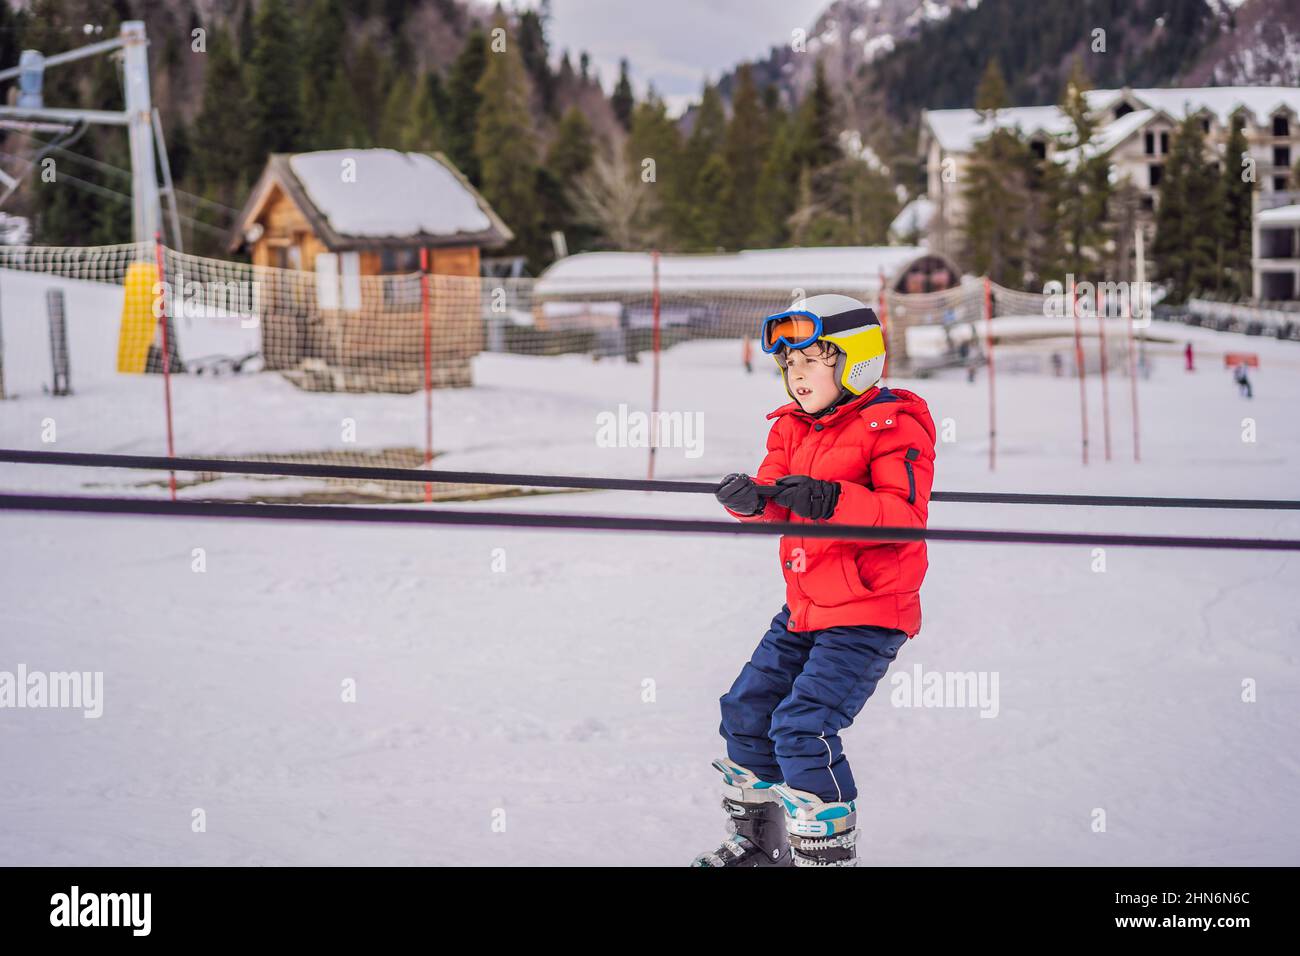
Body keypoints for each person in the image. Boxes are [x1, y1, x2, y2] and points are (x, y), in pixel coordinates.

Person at [694, 294, 936, 868]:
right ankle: (761, 845)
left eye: (810, 360)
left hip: (869, 610)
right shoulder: (790, 429)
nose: (795, 375)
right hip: (805, 606)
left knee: (802, 727)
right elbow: (777, 497)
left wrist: (833, 498)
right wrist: (750, 501)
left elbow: (905, 519)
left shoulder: (893, 424)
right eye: (788, 365)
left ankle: (826, 858)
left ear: (854, 362)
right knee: (746, 712)